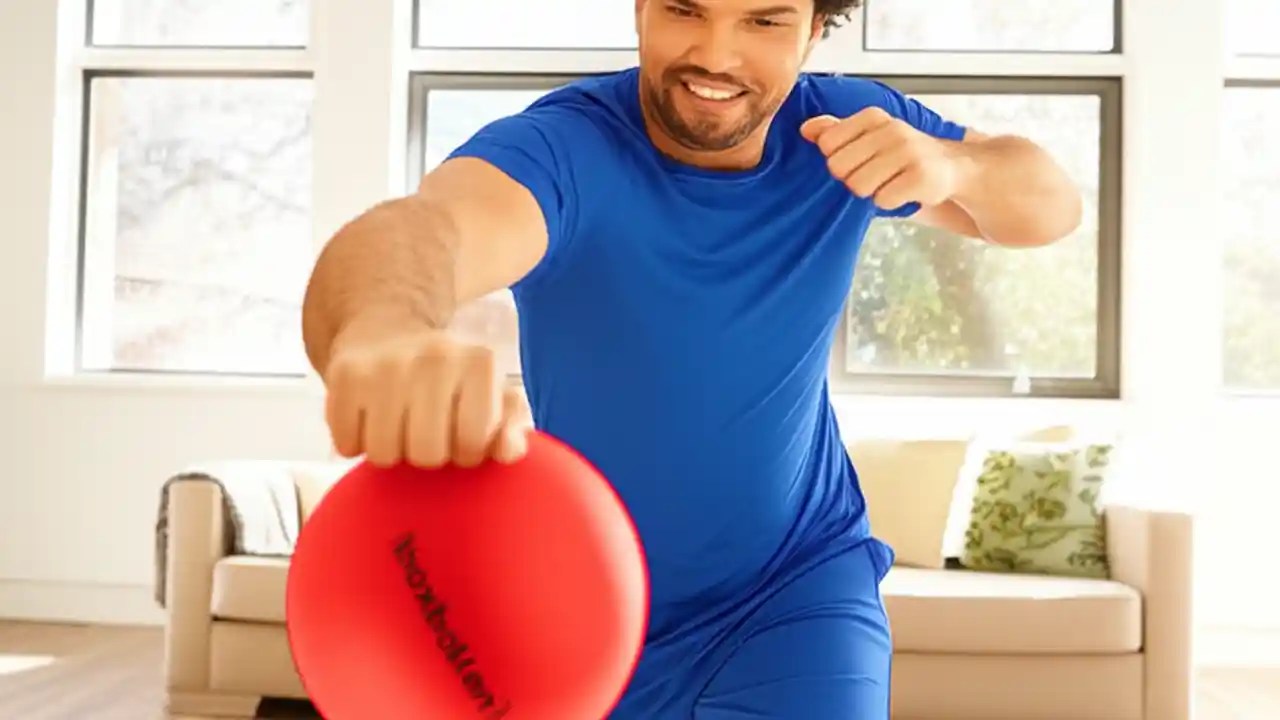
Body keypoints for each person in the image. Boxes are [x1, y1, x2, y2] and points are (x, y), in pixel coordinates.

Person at [301, 0, 1082, 716]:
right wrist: (384, 329)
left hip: (798, 589)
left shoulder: (846, 130)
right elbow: (424, 232)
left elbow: (1049, 205)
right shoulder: (563, 149)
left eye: (765, 22)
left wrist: (957, 166)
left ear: (814, 32)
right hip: (578, 611)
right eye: (684, 9)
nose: (717, 53)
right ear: (640, 9)